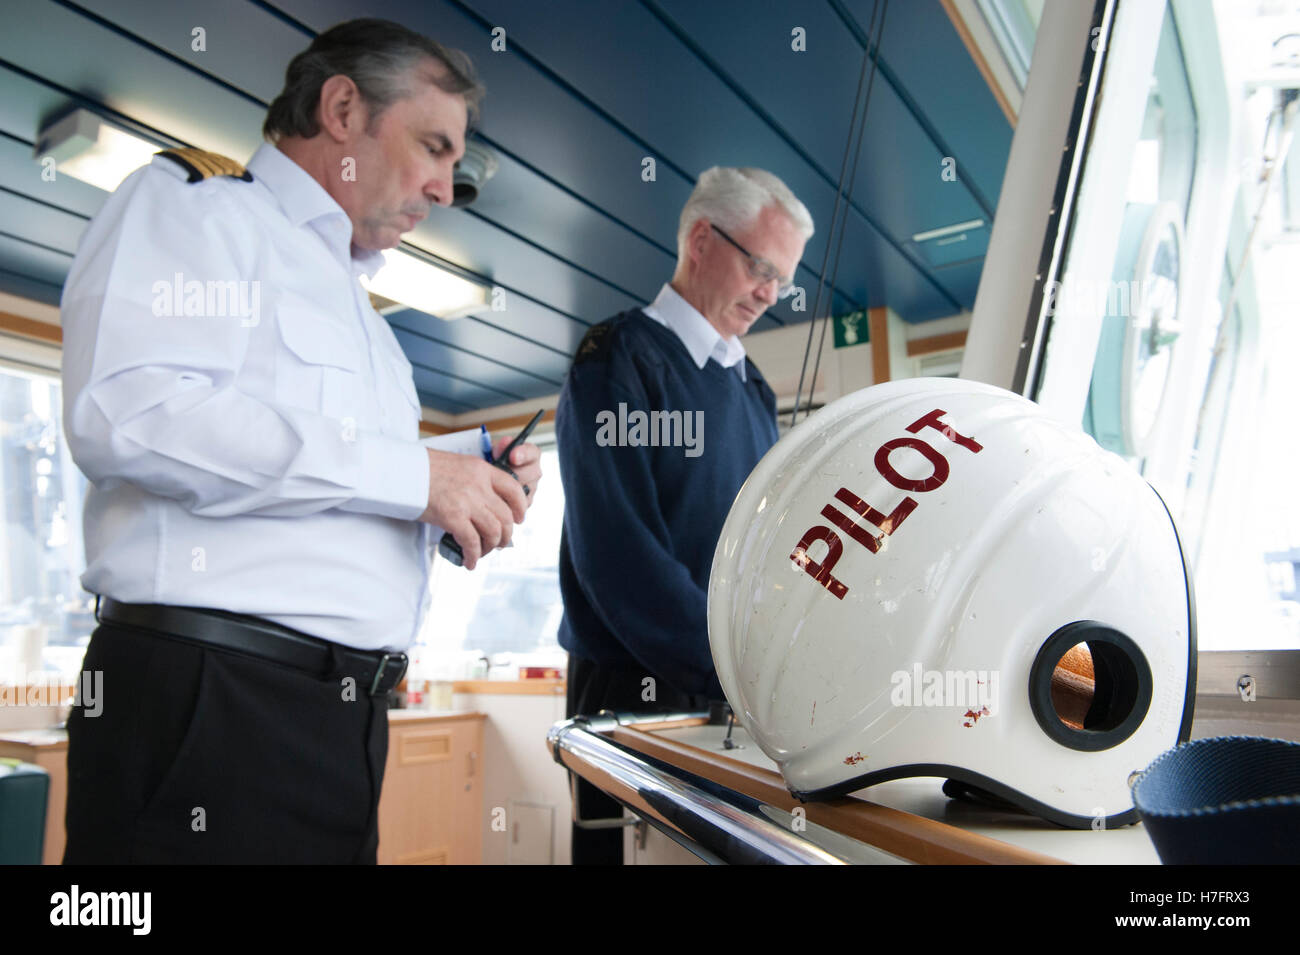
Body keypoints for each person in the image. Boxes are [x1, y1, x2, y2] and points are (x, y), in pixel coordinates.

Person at [59, 18, 541, 864]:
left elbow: (332, 494)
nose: (444, 187)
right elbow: (127, 415)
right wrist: (413, 474)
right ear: (344, 109)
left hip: (344, 723)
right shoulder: (195, 209)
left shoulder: (372, 326)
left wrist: (458, 488)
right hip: (210, 703)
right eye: (435, 145)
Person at [555, 167, 813, 864]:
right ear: (701, 239)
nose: (769, 294)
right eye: (761, 268)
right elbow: (617, 555)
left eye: (782, 281)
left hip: (730, 688)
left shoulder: (751, 388)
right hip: (633, 685)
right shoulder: (616, 362)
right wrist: (729, 665)